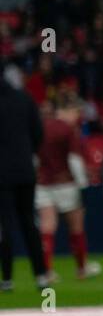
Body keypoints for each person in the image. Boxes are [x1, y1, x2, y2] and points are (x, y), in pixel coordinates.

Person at [0, 67, 54, 291]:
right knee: (29, 223)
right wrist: (24, 152)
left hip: (1, 174)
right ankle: (41, 275)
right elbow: (39, 134)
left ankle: (7, 279)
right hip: (24, 170)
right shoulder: (25, 99)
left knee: (5, 226)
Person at [37, 94, 100, 281]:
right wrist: (82, 185)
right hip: (66, 184)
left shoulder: (41, 127)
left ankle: (46, 271)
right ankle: (81, 268)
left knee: (47, 228)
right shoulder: (68, 130)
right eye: (76, 112)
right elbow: (74, 160)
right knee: (76, 227)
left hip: (43, 184)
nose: (78, 116)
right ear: (67, 110)